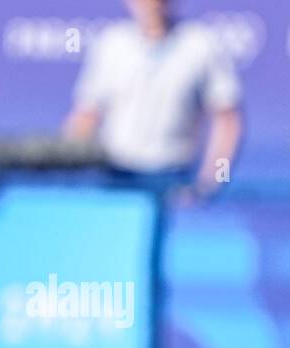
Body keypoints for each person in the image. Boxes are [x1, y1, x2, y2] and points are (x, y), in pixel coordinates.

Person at [63, 0, 243, 200]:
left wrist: (212, 182)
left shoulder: (200, 45)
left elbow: (227, 120)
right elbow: (86, 115)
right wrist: (66, 169)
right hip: (116, 174)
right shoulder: (112, 44)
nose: (151, 4)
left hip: (173, 176)